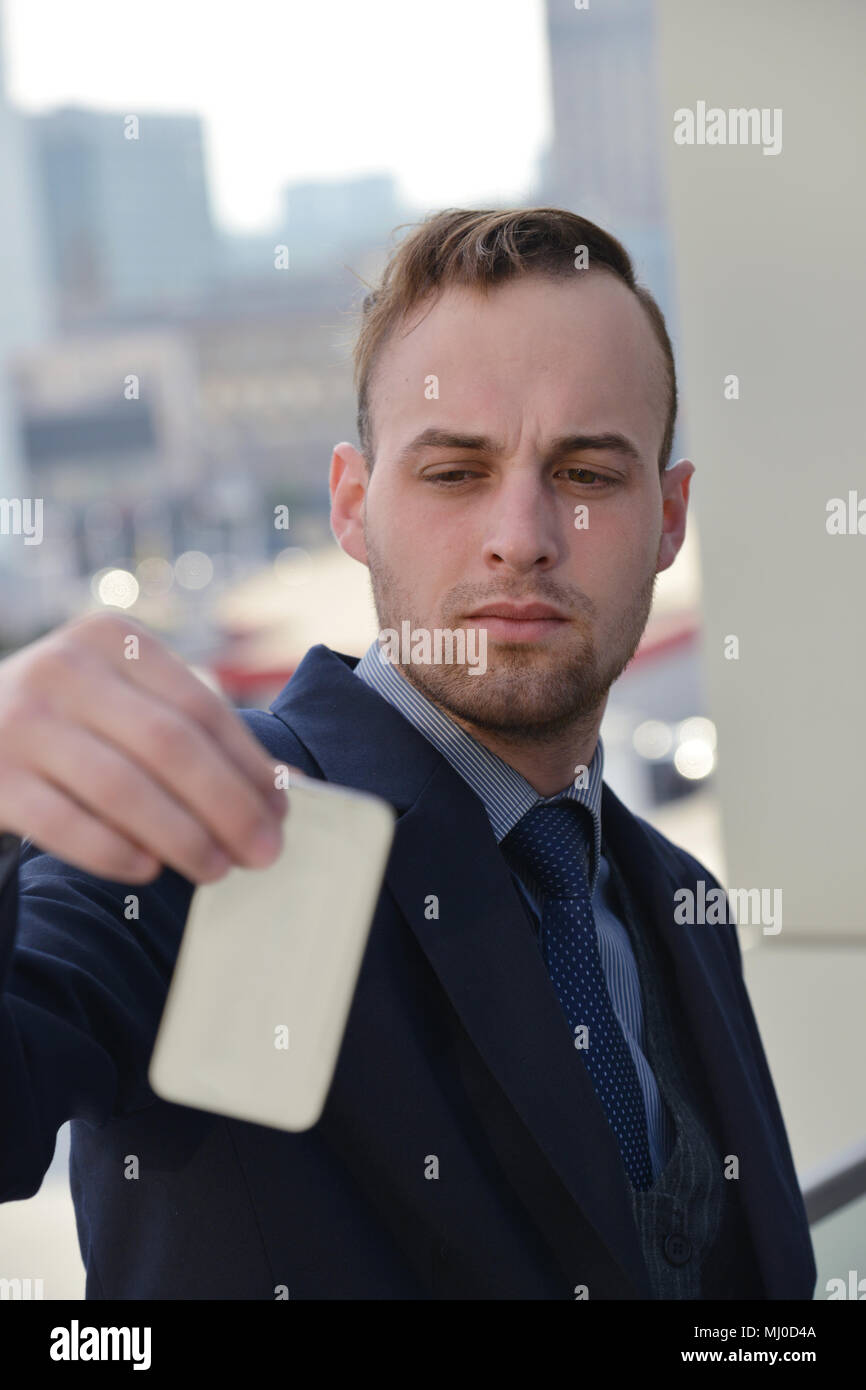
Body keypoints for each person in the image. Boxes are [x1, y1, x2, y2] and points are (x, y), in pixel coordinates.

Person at [0, 207, 815, 1299]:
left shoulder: (676, 901)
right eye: (452, 472)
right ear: (352, 503)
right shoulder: (229, 839)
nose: (520, 532)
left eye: (585, 472)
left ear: (667, 518)